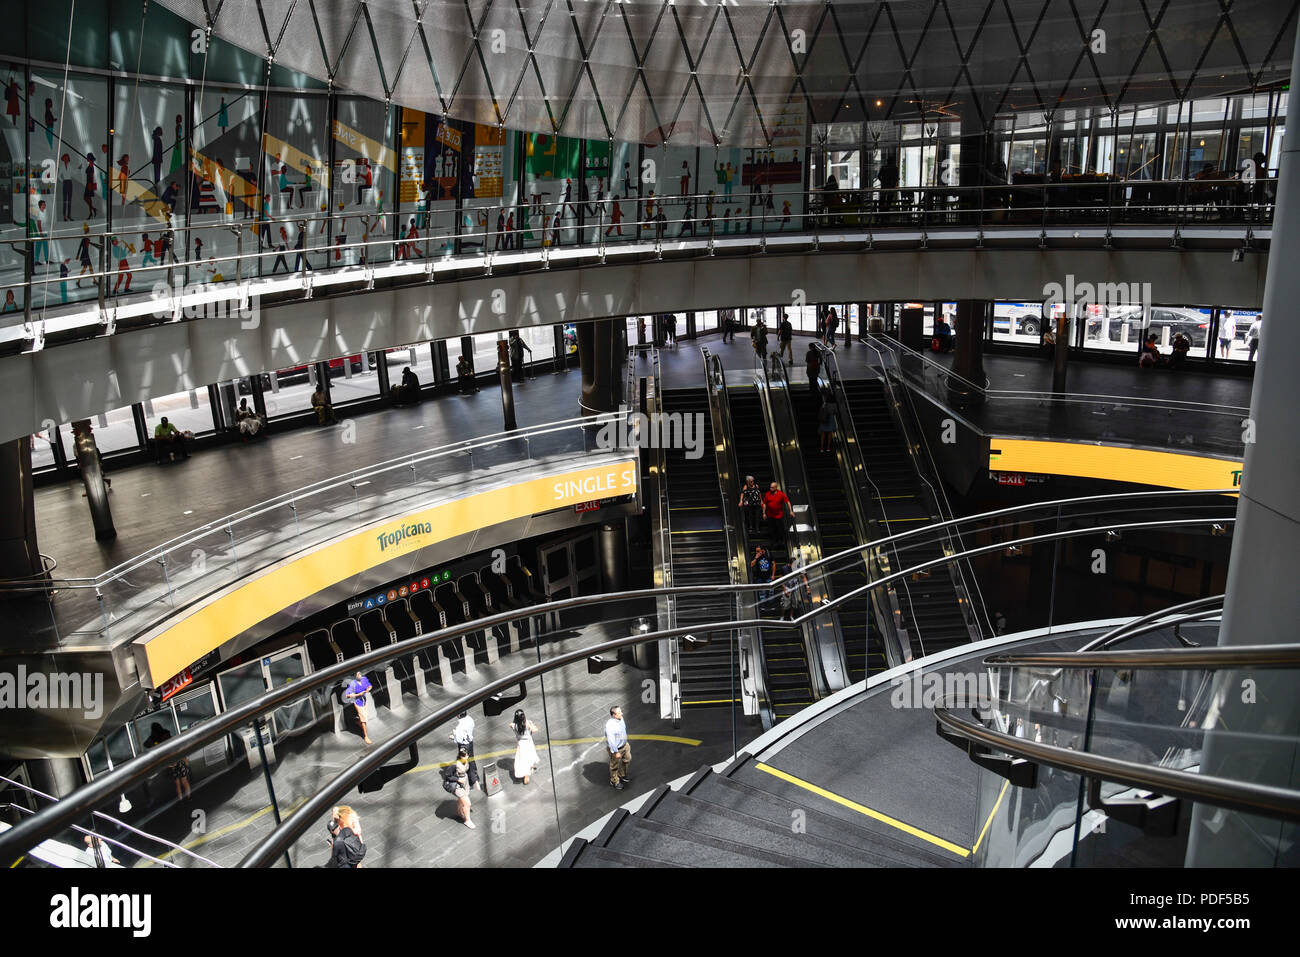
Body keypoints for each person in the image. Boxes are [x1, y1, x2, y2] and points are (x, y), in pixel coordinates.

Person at [510, 709, 540, 784]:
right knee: (529, 755)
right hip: (528, 742)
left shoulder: (514, 725)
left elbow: (510, 724)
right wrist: (531, 724)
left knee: (522, 759)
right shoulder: (527, 723)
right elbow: (535, 730)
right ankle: (526, 776)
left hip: (521, 743)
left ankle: (527, 769)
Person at [450, 710, 479, 789]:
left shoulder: (460, 725)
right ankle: (474, 779)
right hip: (470, 743)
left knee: (462, 764)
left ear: (459, 715)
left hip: (463, 746)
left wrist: (454, 736)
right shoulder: (470, 719)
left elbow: (459, 740)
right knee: (471, 760)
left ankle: (465, 782)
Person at [605, 705, 631, 790]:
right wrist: (616, 752)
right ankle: (614, 781)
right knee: (614, 766)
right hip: (617, 749)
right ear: (614, 715)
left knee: (627, 759)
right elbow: (611, 740)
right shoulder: (610, 726)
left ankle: (622, 775)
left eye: (621, 711)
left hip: (624, 745)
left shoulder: (620, 718)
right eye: (619, 713)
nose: (622, 713)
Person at [344, 671, 373, 745]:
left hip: (364, 701)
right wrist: (358, 694)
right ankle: (366, 736)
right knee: (363, 719)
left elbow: (369, 685)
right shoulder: (353, 683)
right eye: (358, 675)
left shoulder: (364, 679)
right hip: (358, 702)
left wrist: (368, 689)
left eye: (360, 674)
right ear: (355, 676)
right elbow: (347, 695)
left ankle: (359, 722)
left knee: (365, 716)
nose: (360, 676)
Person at [763, 481, 791, 548]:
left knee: (780, 528)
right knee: (772, 529)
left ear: (776, 488)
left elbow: (787, 502)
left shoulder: (781, 494)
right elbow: (764, 504)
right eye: (770, 487)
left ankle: (781, 541)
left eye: (772, 487)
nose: (770, 488)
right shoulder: (767, 494)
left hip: (779, 515)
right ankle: (773, 541)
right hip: (770, 515)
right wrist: (764, 513)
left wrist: (791, 511)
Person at [749, 544, 777, 612]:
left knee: (771, 591)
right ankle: (763, 606)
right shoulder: (756, 556)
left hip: (768, 576)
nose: (757, 552)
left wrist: (773, 575)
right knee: (762, 592)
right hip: (760, 577)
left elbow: (773, 564)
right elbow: (751, 565)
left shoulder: (768, 554)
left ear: (762, 550)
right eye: (756, 551)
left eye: (758, 551)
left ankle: (771, 605)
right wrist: (756, 557)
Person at [451, 749, 474, 827]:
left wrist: (475, 781)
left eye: (467, 755)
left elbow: (470, 771)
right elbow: (448, 776)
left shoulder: (466, 761)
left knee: (462, 800)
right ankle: (467, 821)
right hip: (458, 785)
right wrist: (458, 779)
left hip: (465, 783)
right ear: (460, 756)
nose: (467, 757)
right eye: (465, 756)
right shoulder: (455, 765)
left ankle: (459, 812)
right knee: (467, 804)